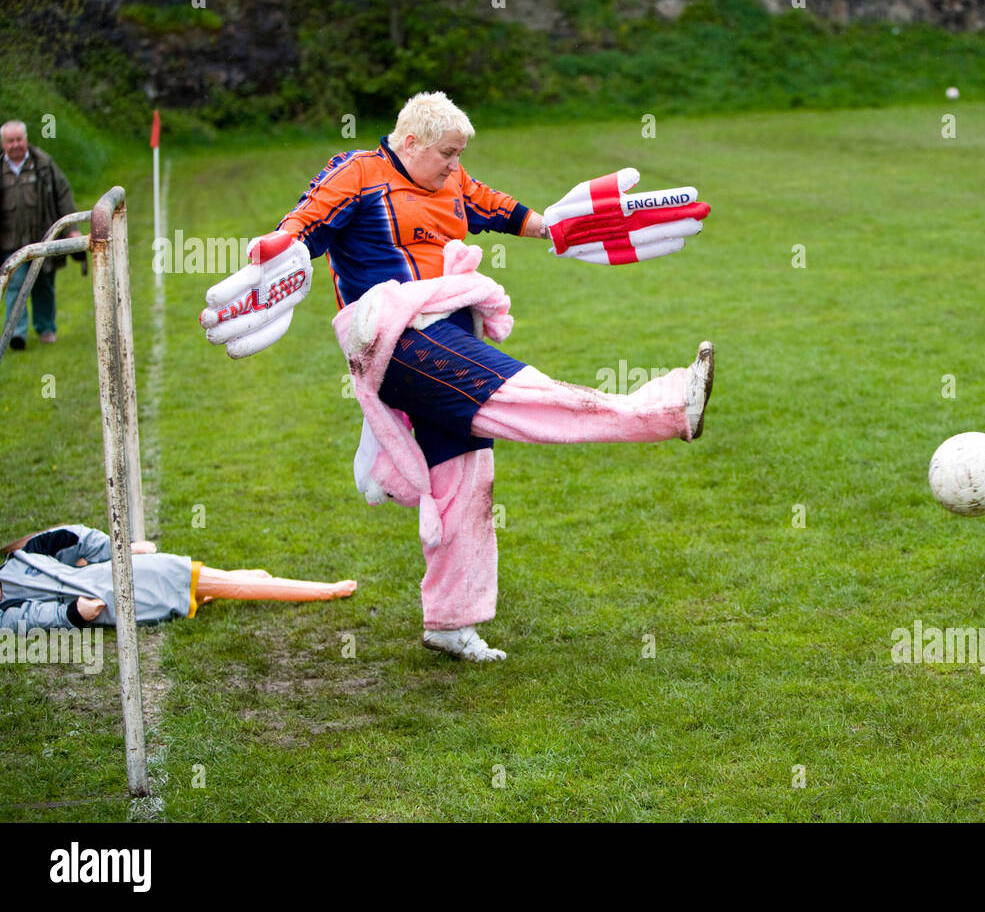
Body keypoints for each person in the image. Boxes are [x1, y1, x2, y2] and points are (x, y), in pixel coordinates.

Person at [255, 90, 714, 662]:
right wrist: (273, 259)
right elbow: (303, 225)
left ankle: (451, 622)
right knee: (524, 396)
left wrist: (561, 229)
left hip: (450, 331)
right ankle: (668, 408)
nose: (454, 165)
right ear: (413, 141)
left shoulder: (450, 178)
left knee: (467, 482)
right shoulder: (358, 173)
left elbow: (493, 206)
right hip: (402, 338)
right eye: (447, 153)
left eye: (459, 155)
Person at [0, 524, 355, 632]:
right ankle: (325, 591)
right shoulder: (5, 607)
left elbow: (70, 537)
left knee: (237, 586)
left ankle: (325, 591)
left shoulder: (17, 561)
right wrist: (72, 614)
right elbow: (26, 619)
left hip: (138, 574)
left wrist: (118, 549)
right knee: (229, 586)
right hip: (122, 600)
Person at [1, 120, 79, 349]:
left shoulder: (43, 163)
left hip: (42, 237)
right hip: (10, 241)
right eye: (10, 141)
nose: (15, 145)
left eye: (19, 139)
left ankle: (46, 328)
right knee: (15, 284)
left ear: (26, 139)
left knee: (44, 283)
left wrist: (72, 229)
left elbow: (63, 193)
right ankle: (16, 333)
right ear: (3, 143)